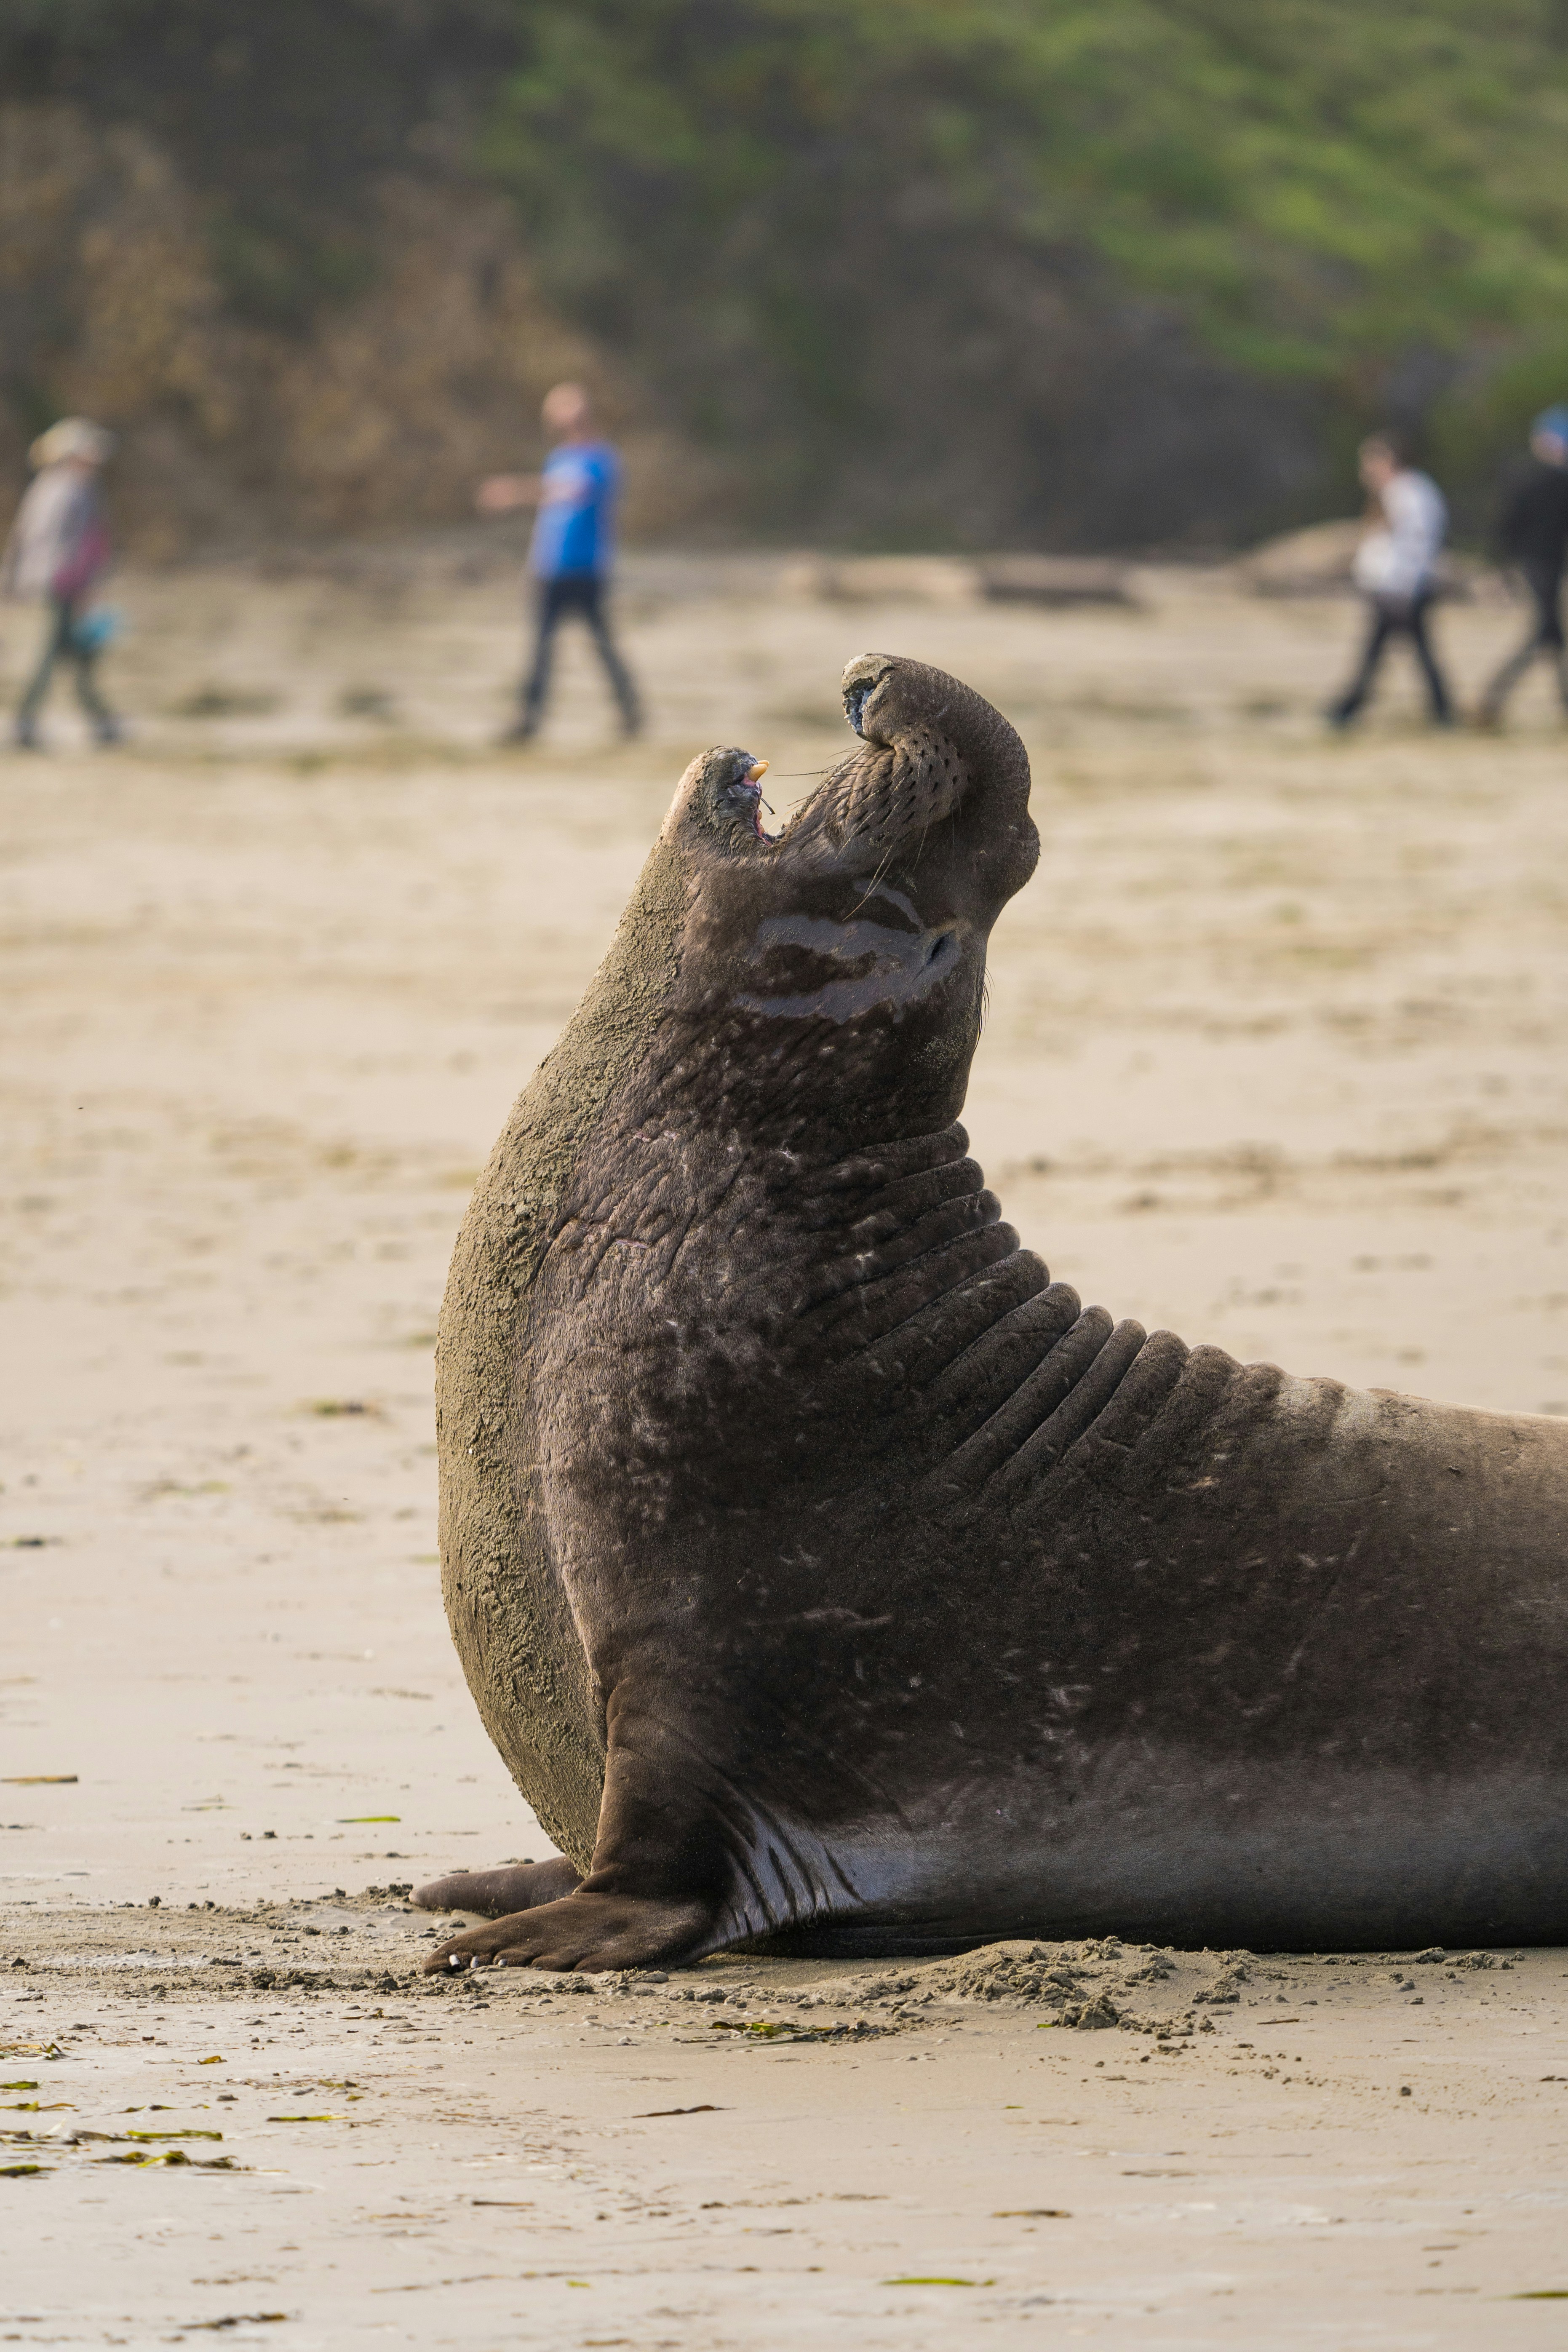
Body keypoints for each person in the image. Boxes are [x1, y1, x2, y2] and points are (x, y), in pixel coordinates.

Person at [476, 382, 641, 743]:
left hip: (587, 567)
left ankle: (630, 714)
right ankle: (528, 721)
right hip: (550, 567)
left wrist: (513, 491)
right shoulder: (558, 458)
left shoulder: (601, 458)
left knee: (602, 644)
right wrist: (534, 562)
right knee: (541, 647)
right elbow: (551, 514)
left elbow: (573, 492)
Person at [2, 416, 122, 750]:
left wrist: (12, 580)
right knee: (60, 654)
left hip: (48, 582)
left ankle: (101, 723)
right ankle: (35, 724)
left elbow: (21, 538)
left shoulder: (46, 485)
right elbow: (73, 544)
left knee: (72, 653)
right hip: (62, 584)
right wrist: (87, 586)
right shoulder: (75, 490)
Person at [1327, 432, 1454, 730]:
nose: (1365, 470)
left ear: (1388, 461)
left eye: (1369, 461)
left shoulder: (1411, 493)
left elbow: (1417, 543)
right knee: (1390, 652)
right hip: (1391, 587)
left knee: (1400, 653)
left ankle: (1347, 710)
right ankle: (1348, 709)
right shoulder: (1395, 492)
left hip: (1401, 589)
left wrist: (1406, 584)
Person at [1477, 405, 1568, 727]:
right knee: (1547, 631)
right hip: (1540, 565)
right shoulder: (1537, 479)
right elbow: (1507, 525)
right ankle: (1492, 697)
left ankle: (1493, 699)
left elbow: (1503, 526)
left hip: (1538, 564)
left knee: (1550, 634)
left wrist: (1500, 566)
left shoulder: (1528, 477)